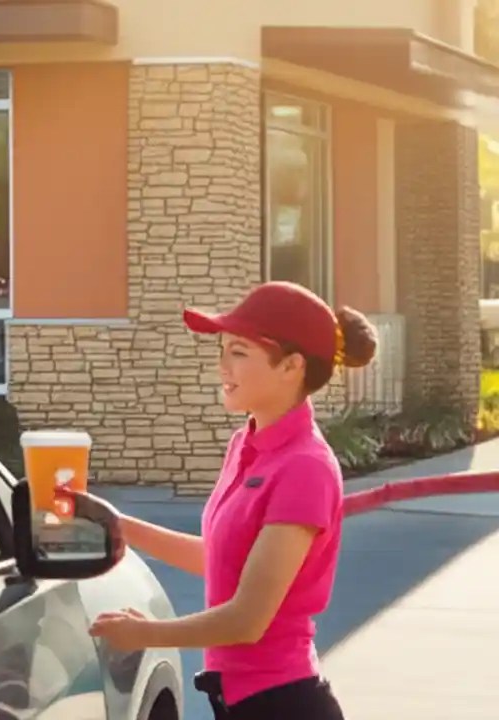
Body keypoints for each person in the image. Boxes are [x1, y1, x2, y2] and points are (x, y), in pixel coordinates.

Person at [88, 281, 377, 720]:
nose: (222, 365)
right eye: (222, 349)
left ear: (292, 366)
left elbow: (247, 619)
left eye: (239, 352)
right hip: (241, 701)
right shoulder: (248, 443)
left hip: (282, 704)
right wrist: (118, 524)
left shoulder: (305, 467)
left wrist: (145, 633)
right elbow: (223, 560)